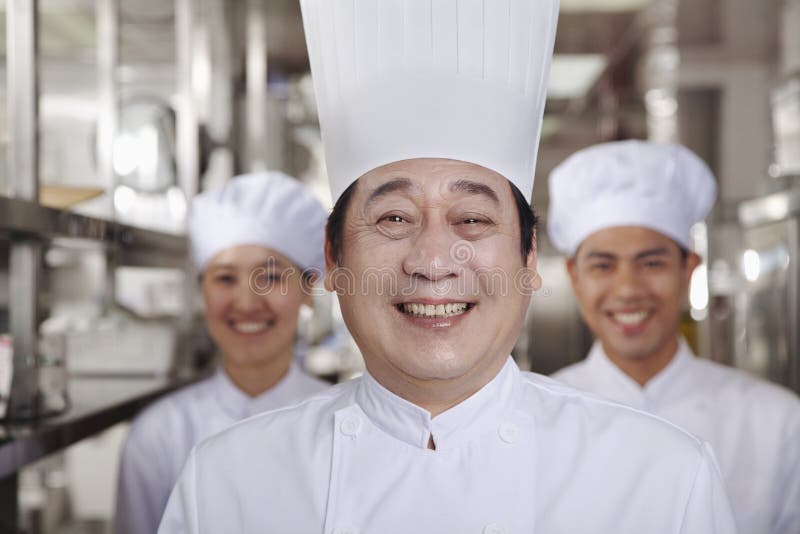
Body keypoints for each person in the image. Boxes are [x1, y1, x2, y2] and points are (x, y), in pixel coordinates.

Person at [158, 3, 737, 532]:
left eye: (473, 220)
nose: (433, 261)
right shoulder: (225, 484)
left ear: (529, 259)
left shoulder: (663, 480)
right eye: (392, 219)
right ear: (333, 260)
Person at [548, 140, 800, 534]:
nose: (628, 289)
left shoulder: (777, 423)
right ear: (574, 278)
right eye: (603, 265)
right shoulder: (534, 419)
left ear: (688, 271)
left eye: (651, 263)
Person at [114, 172, 331, 534]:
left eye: (271, 277)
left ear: (307, 289)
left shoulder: (343, 426)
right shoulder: (158, 437)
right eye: (225, 278)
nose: (246, 303)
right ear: (202, 291)